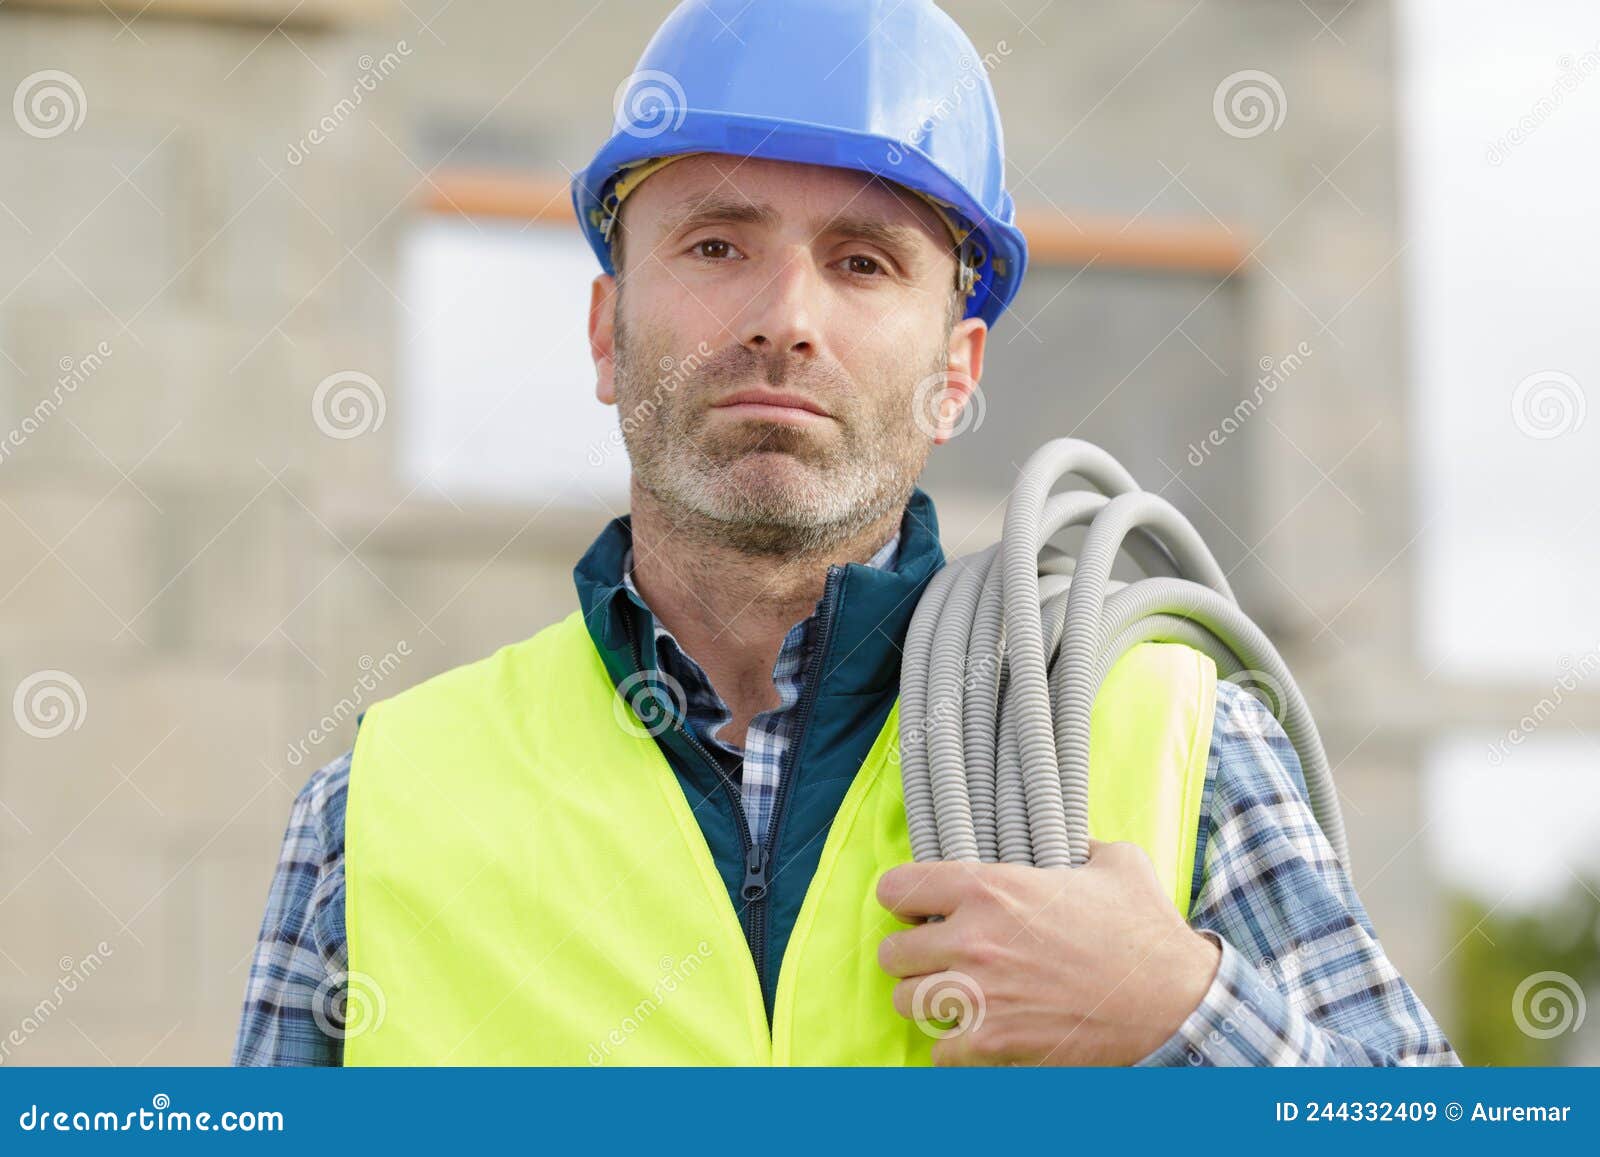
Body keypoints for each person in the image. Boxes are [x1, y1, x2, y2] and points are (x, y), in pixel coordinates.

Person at [235, 0, 1458, 1066]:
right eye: (718, 244)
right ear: (606, 330)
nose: (785, 318)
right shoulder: (379, 809)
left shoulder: (1171, 740)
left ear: (954, 373)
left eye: (864, 262)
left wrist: (1178, 1010)